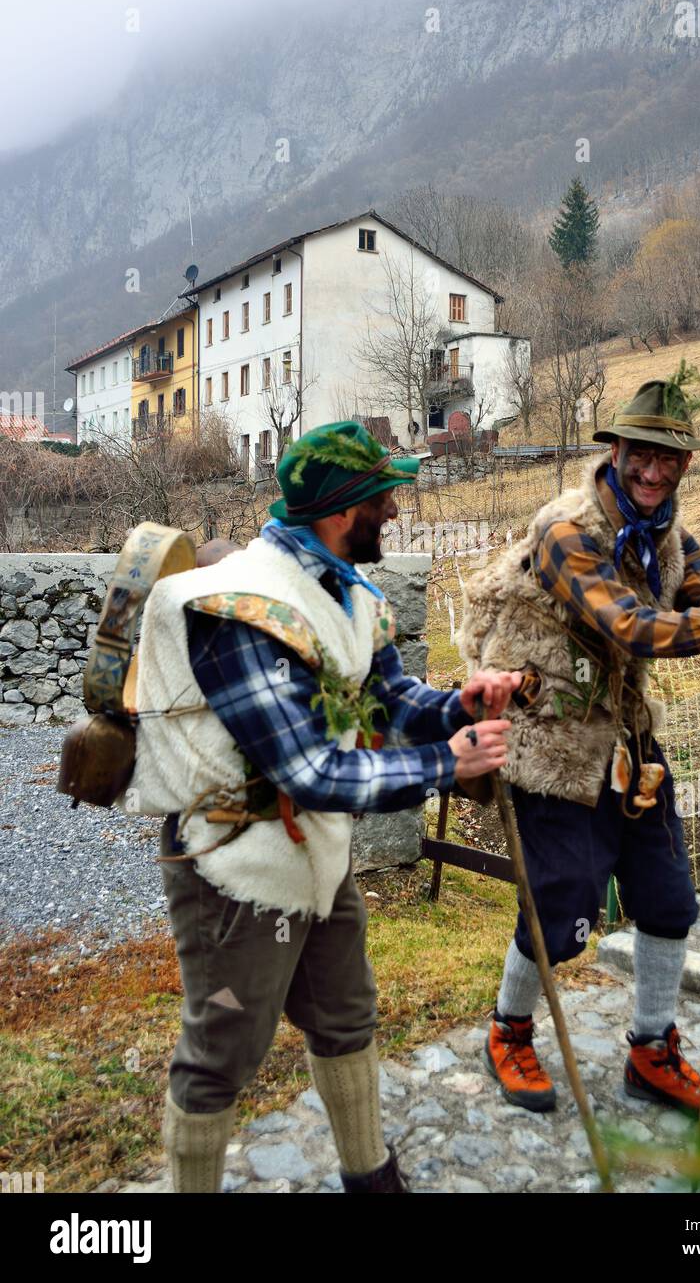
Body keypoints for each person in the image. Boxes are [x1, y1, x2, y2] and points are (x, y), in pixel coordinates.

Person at [127, 420, 519, 1192]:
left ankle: (370, 1177)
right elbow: (308, 767)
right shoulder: (239, 611)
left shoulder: (347, 591)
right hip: (235, 869)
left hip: (316, 855)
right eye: (385, 498)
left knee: (345, 1015)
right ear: (345, 511)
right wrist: (448, 764)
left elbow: (387, 699)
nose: (396, 512)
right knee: (223, 1052)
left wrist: (456, 705)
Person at [458, 379, 700, 1119]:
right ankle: (509, 1029)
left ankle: (650, 1053)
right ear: (615, 452)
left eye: (669, 460)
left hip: (626, 742)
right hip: (548, 739)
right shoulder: (567, 530)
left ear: (683, 465)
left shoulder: (667, 535)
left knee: (666, 898)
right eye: (642, 456)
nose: (655, 473)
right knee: (560, 911)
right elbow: (630, 627)